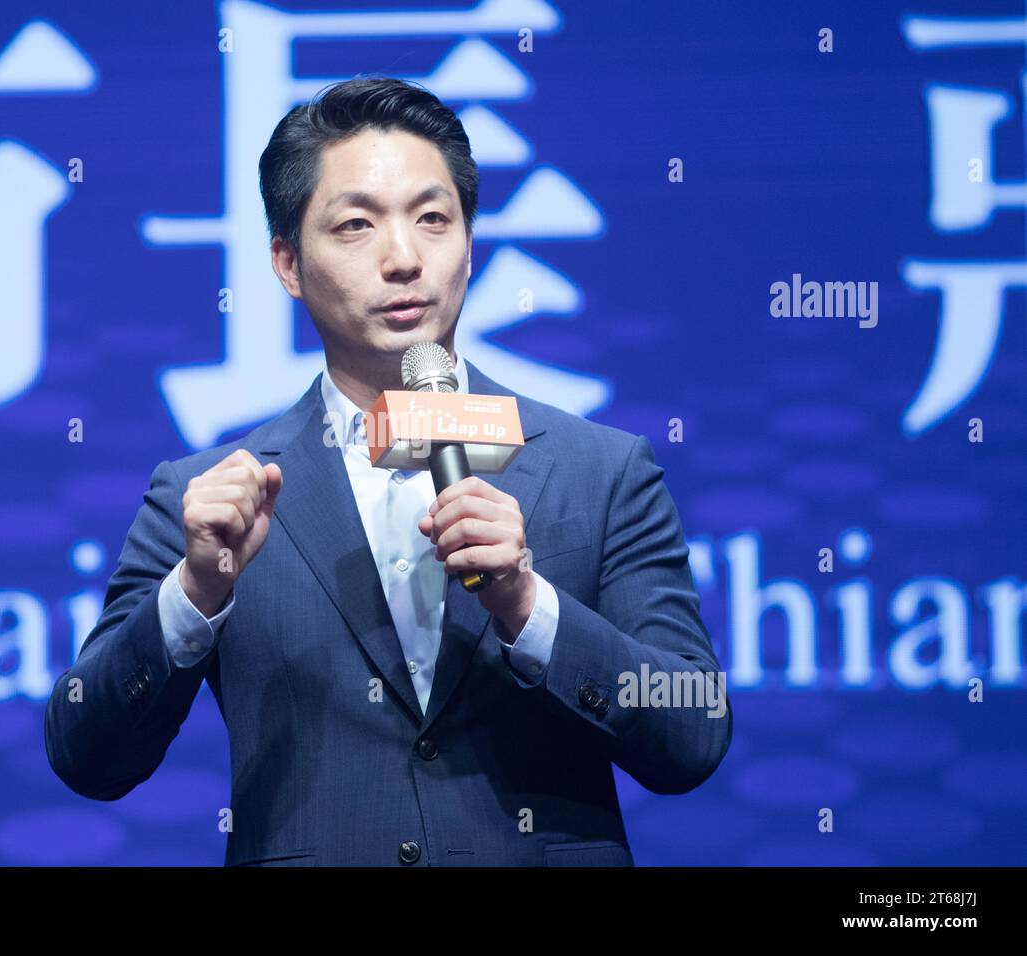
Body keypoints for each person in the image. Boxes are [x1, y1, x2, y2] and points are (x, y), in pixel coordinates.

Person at [44, 75, 731, 866]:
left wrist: (529, 607)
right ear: (287, 262)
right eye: (357, 226)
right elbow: (84, 753)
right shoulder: (209, 501)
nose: (404, 259)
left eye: (434, 219)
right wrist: (194, 594)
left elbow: (694, 733)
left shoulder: (601, 471)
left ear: (470, 244)